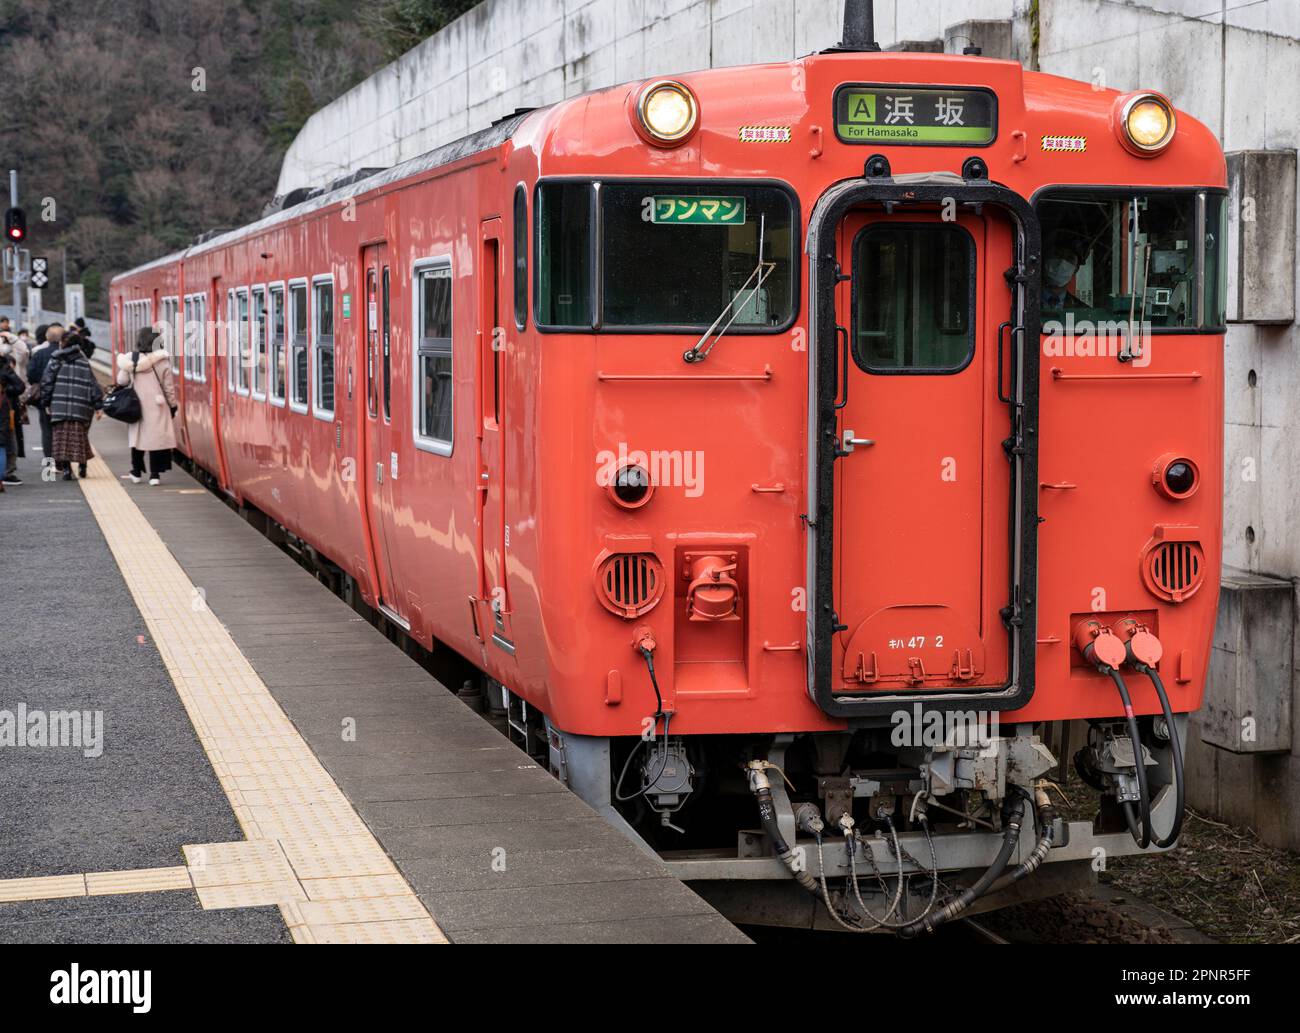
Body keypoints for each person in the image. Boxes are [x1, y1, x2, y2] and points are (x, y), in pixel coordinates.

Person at [117, 326, 177, 485]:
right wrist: (173, 406)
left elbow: (122, 381)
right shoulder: (162, 360)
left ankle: (136, 472)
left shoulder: (131, 358)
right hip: (157, 405)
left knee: (137, 440)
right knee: (156, 440)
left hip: (136, 404)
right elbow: (168, 388)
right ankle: (155, 475)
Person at [40, 330, 102, 480]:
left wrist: (46, 402)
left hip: (59, 405)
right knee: (79, 436)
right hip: (81, 407)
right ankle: (82, 466)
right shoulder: (84, 361)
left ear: (62, 343)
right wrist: (98, 404)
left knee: (61, 438)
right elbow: (93, 384)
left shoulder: (56, 359)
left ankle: (67, 470)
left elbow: (47, 382)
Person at [25, 323, 64, 461]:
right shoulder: (67, 355)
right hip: (63, 398)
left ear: (47, 338)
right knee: (62, 430)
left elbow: (30, 374)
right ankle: (62, 462)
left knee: (47, 430)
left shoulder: (39, 353)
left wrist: (39, 384)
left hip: (44, 397)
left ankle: (50, 462)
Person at [0, 353, 23, 492]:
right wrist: (5, 392)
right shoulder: (4, 365)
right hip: (3, 408)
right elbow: (20, 386)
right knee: (2, 443)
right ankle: (4, 476)